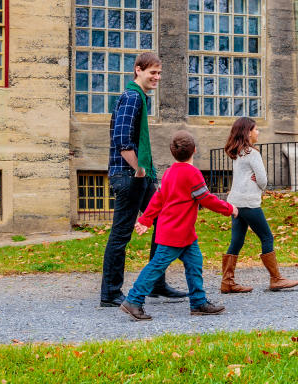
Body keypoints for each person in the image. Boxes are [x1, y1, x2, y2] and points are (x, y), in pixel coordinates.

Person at [99, 52, 188, 307]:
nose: (157, 77)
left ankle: (155, 283)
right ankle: (110, 294)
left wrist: (148, 175)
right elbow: (122, 140)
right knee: (121, 235)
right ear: (138, 70)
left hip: (141, 176)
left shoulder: (139, 98)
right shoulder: (131, 97)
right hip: (129, 176)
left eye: (159, 73)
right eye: (153, 73)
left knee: (163, 220)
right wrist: (139, 169)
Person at [120, 130, 237, 320]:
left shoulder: (169, 172)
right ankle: (133, 300)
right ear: (195, 150)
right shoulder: (193, 174)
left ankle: (198, 302)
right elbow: (206, 199)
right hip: (175, 234)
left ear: (172, 152)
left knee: (194, 263)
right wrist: (229, 208)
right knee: (156, 267)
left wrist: (145, 219)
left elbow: (158, 198)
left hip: (183, 234)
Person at [219, 116, 298, 293]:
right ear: (248, 132)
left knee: (237, 240)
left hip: (235, 203)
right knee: (267, 237)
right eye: (256, 129)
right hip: (249, 203)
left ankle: (227, 281)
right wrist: (259, 182)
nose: (258, 132)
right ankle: (276, 279)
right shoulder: (253, 153)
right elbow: (263, 181)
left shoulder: (238, 152)